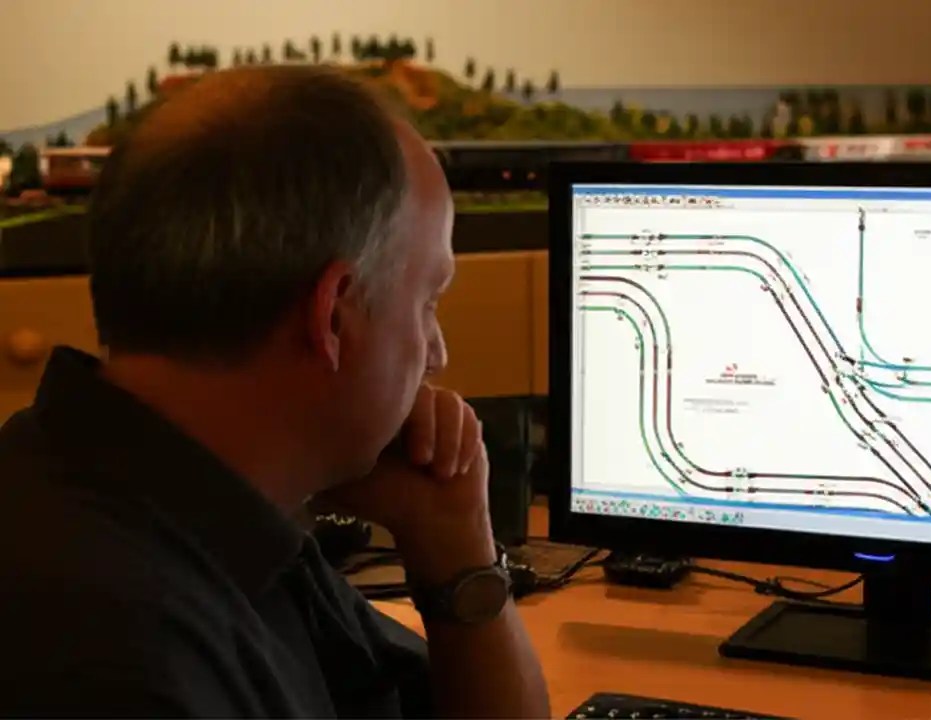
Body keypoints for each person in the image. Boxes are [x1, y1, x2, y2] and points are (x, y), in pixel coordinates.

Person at [0, 65, 550, 718]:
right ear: (333, 315)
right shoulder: (126, 662)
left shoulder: (198, 500)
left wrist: (454, 540)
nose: (437, 352)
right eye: (428, 302)